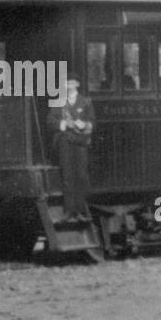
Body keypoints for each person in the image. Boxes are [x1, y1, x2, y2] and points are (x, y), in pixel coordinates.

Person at [49, 73, 95, 221]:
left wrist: (84, 125)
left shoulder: (86, 102)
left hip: (80, 141)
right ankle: (69, 211)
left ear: (77, 84)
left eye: (72, 83)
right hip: (65, 142)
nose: (69, 86)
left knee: (81, 175)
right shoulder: (58, 102)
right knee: (67, 176)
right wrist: (63, 124)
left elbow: (92, 122)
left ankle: (81, 210)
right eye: (66, 83)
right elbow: (50, 121)